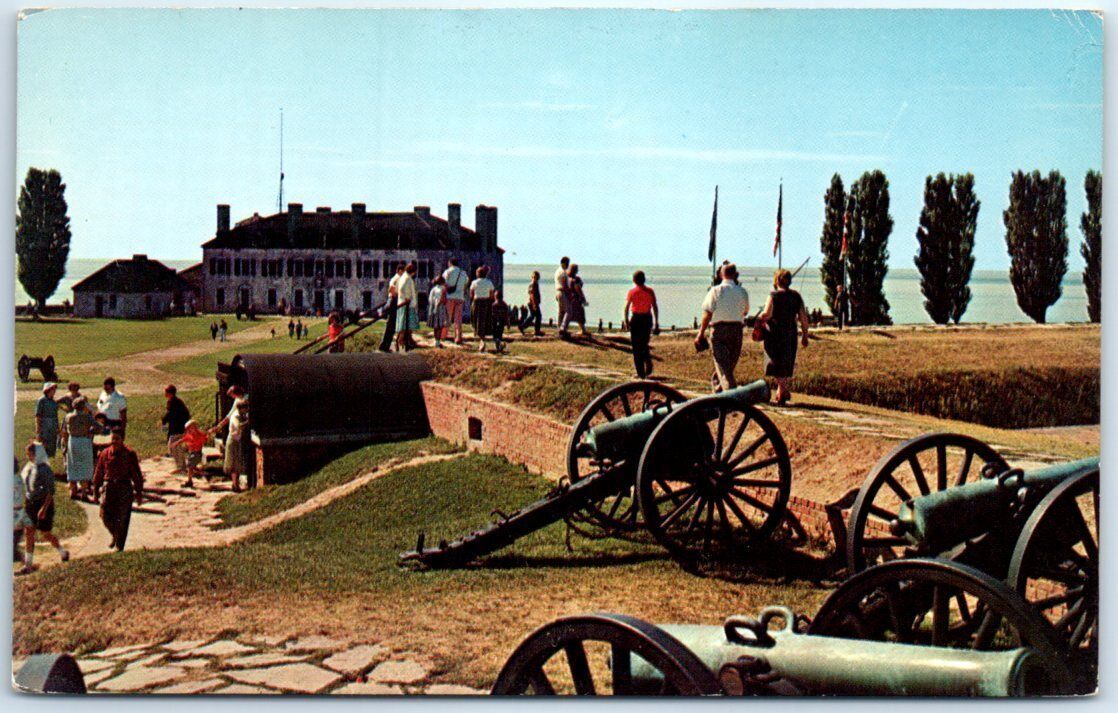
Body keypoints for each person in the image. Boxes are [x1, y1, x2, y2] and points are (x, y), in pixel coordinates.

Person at [695, 263, 750, 393]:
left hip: (719, 329)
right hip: (737, 330)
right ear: (735, 274)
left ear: (721, 274)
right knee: (727, 366)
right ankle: (719, 389)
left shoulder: (715, 291)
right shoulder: (742, 292)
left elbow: (707, 314)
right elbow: (745, 311)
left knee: (723, 365)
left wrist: (700, 333)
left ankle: (731, 393)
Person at [761, 269, 811, 405]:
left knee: (774, 361)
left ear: (777, 280)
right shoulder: (796, 296)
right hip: (790, 332)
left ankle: (782, 390)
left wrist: (759, 318)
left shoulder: (773, 296)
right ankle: (782, 390)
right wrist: (805, 335)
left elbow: (767, 314)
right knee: (786, 362)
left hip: (774, 333)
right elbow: (803, 318)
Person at [19, 442, 69, 573]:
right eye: (28, 454)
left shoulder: (45, 469)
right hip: (31, 504)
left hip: (43, 504)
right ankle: (28, 565)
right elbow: (27, 487)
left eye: (31, 454)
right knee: (29, 532)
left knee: (45, 533)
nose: (29, 457)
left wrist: (44, 509)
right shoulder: (29, 468)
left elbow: (50, 491)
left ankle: (62, 551)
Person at [92, 428, 144, 551]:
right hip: (109, 486)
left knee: (123, 518)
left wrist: (139, 492)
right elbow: (98, 472)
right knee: (104, 515)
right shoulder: (105, 453)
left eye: (117, 439)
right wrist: (95, 491)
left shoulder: (129, 454)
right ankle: (114, 534)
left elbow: (136, 474)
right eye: (112, 439)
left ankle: (119, 546)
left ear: (122, 439)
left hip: (124, 487)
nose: (114, 441)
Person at [623, 270, 659, 379]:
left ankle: (641, 372)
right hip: (647, 318)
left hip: (637, 319)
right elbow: (655, 307)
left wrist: (626, 321)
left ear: (634, 280)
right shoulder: (650, 291)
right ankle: (647, 363)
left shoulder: (632, 292)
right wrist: (657, 322)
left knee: (636, 346)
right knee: (644, 343)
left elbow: (626, 307)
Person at [212, 387, 248, 492]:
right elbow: (233, 419)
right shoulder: (237, 412)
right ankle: (235, 484)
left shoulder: (243, 401)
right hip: (236, 438)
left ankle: (235, 484)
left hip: (237, 438)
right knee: (235, 462)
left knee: (235, 462)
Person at [65, 397, 99, 500]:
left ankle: (73, 491)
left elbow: (65, 429)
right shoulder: (87, 417)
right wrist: (91, 431)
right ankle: (84, 492)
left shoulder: (68, 416)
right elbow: (98, 426)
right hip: (84, 440)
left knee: (72, 465)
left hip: (73, 441)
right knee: (85, 465)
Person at [168, 420, 209, 489]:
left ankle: (189, 481)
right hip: (191, 453)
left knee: (189, 466)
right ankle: (201, 473)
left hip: (197, 453)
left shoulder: (199, 434)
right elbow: (183, 439)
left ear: (195, 428)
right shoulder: (189, 434)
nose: (188, 430)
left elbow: (205, 438)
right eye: (187, 429)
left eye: (190, 428)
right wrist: (176, 443)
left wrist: (207, 436)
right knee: (192, 466)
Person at [161, 385, 191, 475]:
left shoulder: (174, 402)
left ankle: (181, 467)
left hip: (178, 428)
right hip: (176, 427)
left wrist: (164, 420)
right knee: (175, 447)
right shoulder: (175, 401)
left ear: (170, 393)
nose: (164, 393)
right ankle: (180, 466)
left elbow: (171, 414)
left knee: (175, 447)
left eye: (166, 392)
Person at [442, 257, 469, 345]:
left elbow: (444, 284)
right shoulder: (463, 273)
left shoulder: (447, 272)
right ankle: (458, 337)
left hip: (450, 297)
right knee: (458, 319)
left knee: (447, 317)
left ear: (450, 263)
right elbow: (466, 284)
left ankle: (443, 335)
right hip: (460, 297)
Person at [379, 264, 404, 352]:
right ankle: (384, 346)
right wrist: (396, 296)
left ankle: (385, 345)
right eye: (403, 271)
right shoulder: (397, 278)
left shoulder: (396, 278)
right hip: (394, 300)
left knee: (391, 325)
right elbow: (391, 289)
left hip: (393, 300)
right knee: (391, 325)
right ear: (400, 270)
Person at [470, 266, 495, 352]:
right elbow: (492, 294)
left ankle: (479, 335)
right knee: (484, 319)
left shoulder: (474, 282)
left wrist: (473, 299)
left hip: (477, 301)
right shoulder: (489, 282)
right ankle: (482, 336)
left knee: (475, 317)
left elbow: (471, 294)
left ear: (477, 274)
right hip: (486, 302)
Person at [395, 262, 419, 352]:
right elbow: (403, 290)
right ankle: (400, 346)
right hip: (406, 305)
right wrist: (406, 298)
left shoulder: (404, 278)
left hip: (405, 304)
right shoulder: (407, 279)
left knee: (405, 327)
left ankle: (405, 344)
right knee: (403, 328)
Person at [35, 382, 60, 459]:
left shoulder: (54, 402)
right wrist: (38, 429)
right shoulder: (41, 401)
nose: (54, 391)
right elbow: (38, 415)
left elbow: (56, 416)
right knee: (44, 444)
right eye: (53, 389)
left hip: (53, 426)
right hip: (44, 426)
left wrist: (57, 427)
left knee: (52, 445)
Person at [566, 264, 590, 337]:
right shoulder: (576, 279)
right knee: (579, 314)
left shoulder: (566, 278)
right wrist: (583, 300)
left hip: (569, 299)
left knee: (569, 314)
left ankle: (564, 328)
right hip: (576, 299)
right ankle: (583, 330)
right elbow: (578, 289)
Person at [519, 271, 543, 336]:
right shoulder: (533, 284)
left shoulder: (534, 284)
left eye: (537, 277)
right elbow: (532, 294)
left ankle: (523, 327)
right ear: (532, 277)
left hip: (533, 302)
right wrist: (534, 304)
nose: (536, 278)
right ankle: (535, 330)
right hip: (533, 302)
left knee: (533, 316)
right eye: (534, 277)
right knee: (538, 316)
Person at [427, 275, 449, 348]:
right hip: (440, 307)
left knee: (435, 326)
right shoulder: (443, 289)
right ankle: (438, 342)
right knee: (440, 326)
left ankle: (436, 341)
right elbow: (444, 299)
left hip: (433, 307)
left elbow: (430, 299)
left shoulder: (433, 289)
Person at [554, 256, 572, 337]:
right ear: (564, 263)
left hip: (558, 291)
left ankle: (559, 328)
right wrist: (570, 295)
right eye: (567, 263)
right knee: (569, 311)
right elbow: (565, 286)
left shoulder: (557, 271)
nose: (568, 265)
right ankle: (563, 328)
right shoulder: (563, 272)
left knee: (561, 312)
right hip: (562, 292)